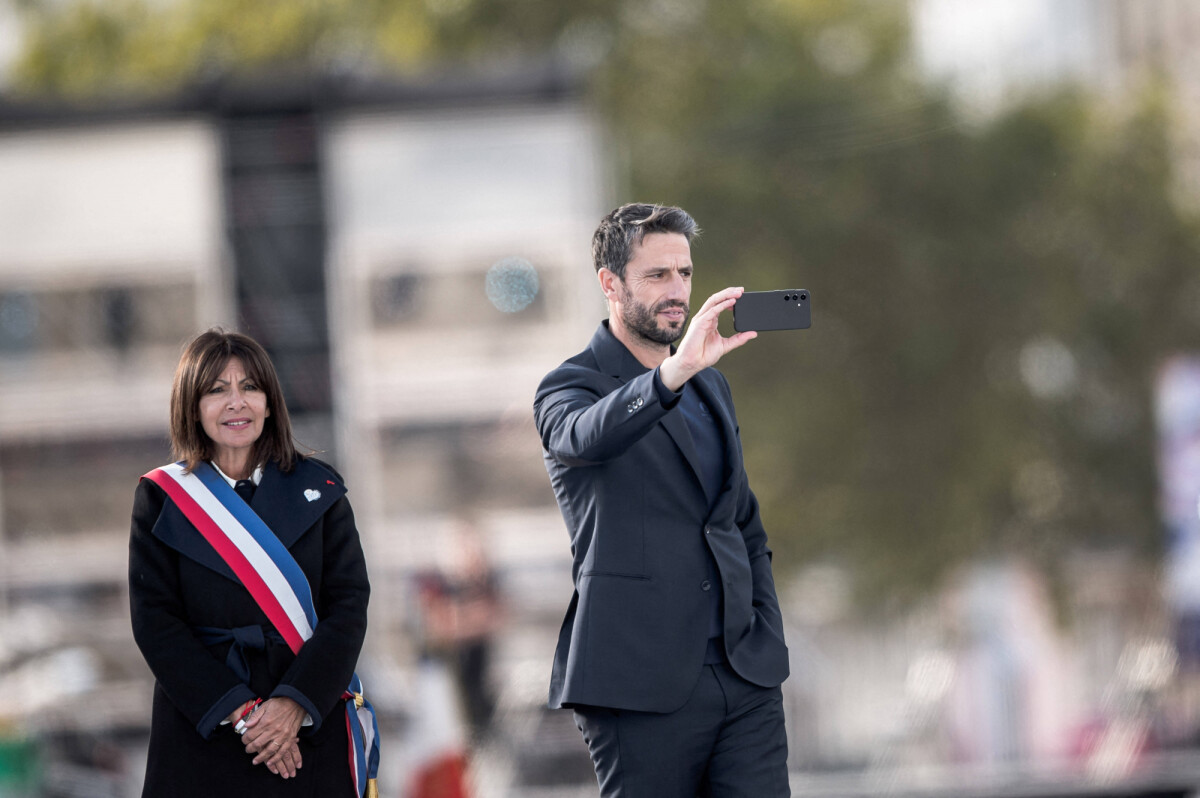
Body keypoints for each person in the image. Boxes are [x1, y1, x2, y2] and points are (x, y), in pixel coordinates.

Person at [534, 203, 792, 797]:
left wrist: (765, 629)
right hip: (636, 685)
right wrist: (671, 376)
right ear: (610, 283)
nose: (677, 291)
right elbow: (585, 436)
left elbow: (741, 523)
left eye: (685, 273)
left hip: (744, 673)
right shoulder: (568, 386)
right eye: (657, 276)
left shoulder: (712, 382)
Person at [128, 328, 374, 797]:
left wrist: (291, 706)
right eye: (217, 391)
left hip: (305, 730)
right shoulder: (162, 499)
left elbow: (348, 606)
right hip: (203, 730)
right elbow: (155, 622)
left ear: (269, 402)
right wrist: (243, 713)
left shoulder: (320, 490)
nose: (236, 402)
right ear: (192, 406)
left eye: (250, 387)